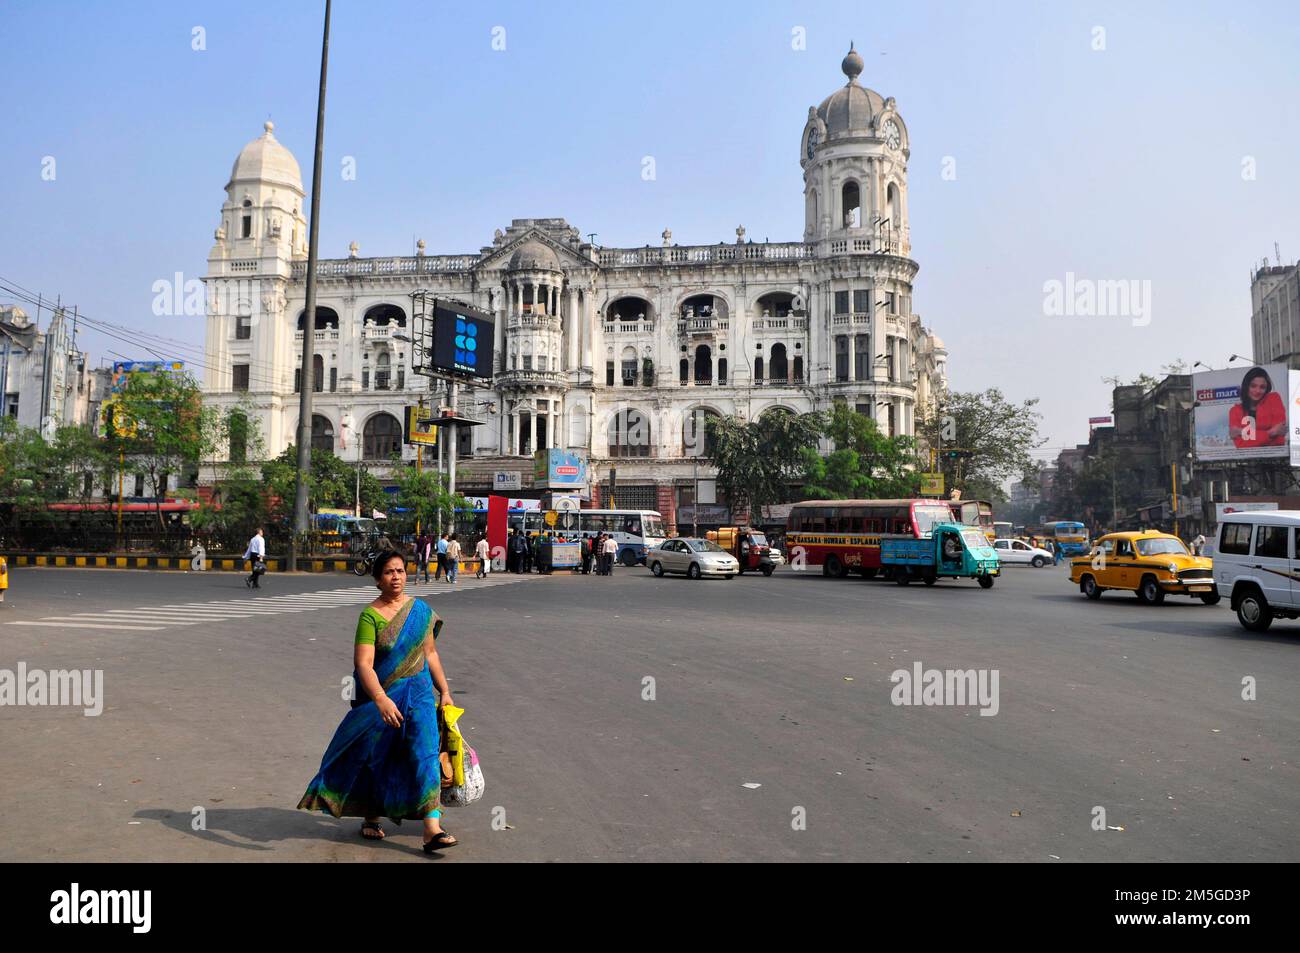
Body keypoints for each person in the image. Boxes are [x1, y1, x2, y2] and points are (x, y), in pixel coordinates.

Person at [298, 551, 459, 853]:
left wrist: (445, 691)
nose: (396, 577)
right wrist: (382, 700)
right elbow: (364, 664)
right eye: (388, 572)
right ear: (377, 579)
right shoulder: (369, 616)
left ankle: (431, 828)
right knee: (378, 756)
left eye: (399, 570)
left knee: (424, 753)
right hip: (382, 698)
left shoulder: (420, 611)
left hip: (421, 694)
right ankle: (371, 814)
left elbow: (431, 654)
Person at [1230, 366, 1287, 449]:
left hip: (1275, 459)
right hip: (1248, 460)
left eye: (1262, 387)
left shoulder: (1274, 399)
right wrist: (1271, 433)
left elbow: (1279, 440)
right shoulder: (1235, 411)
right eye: (1253, 386)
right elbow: (1241, 445)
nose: (1257, 391)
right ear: (1246, 386)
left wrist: (1242, 432)